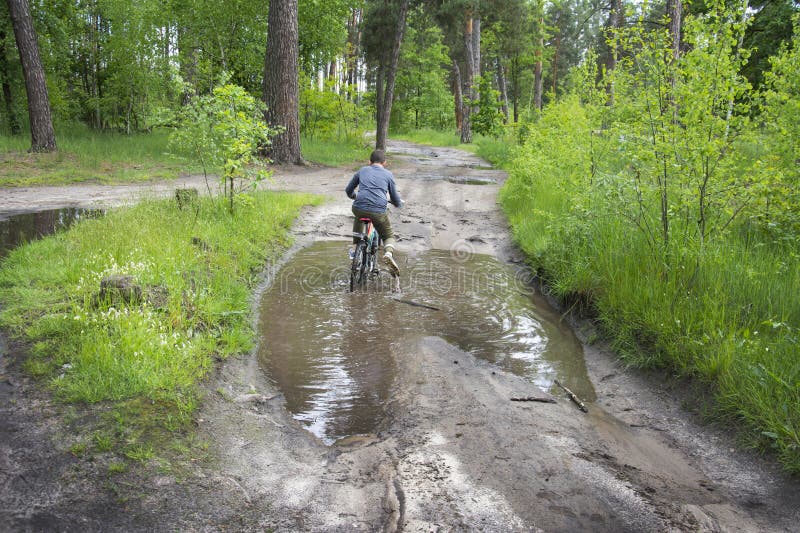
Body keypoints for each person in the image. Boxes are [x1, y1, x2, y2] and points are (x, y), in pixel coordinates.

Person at [345, 149, 404, 276]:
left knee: (360, 214)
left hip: (359, 207)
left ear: (369, 162)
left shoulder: (362, 170)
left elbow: (348, 190)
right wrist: (398, 204)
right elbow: (394, 197)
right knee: (388, 235)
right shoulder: (388, 174)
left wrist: (354, 196)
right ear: (385, 163)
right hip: (378, 210)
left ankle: (355, 248)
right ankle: (388, 253)